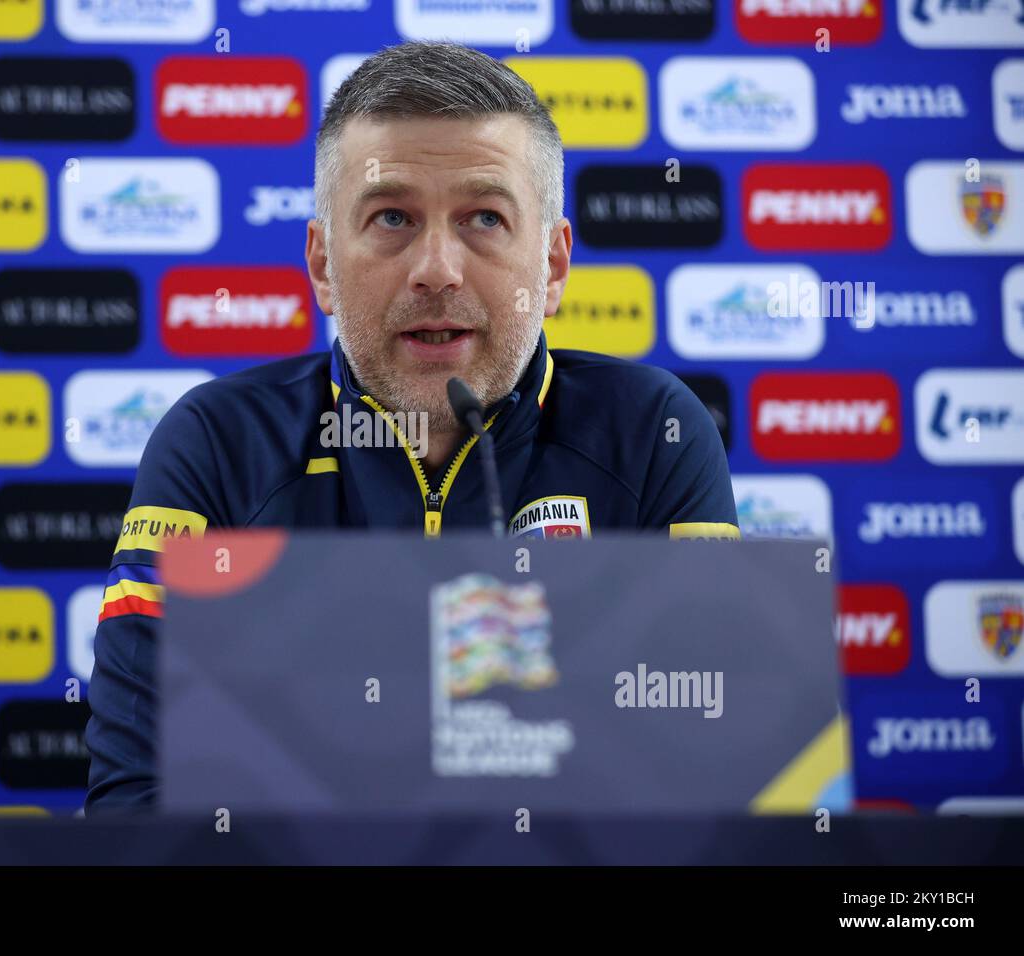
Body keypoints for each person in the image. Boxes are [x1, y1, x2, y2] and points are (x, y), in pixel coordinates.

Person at [85, 40, 739, 811]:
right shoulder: (219, 445)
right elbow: (136, 804)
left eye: (484, 219)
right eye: (392, 216)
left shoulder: (653, 433)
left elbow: (714, 789)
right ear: (324, 265)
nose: (437, 268)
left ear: (554, 267)